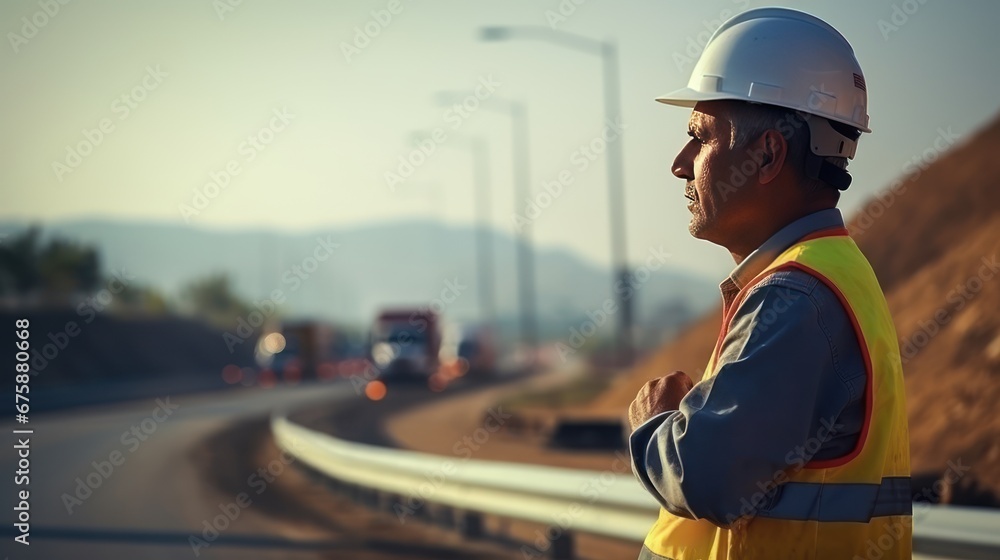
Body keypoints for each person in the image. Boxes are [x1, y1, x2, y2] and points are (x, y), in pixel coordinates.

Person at [628, 8, 911, 559]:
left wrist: (654, 425)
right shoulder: (828, 275)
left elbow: (706, 477)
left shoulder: (797, 297)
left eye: (699, 137)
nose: (680, 165)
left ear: (767, 154)